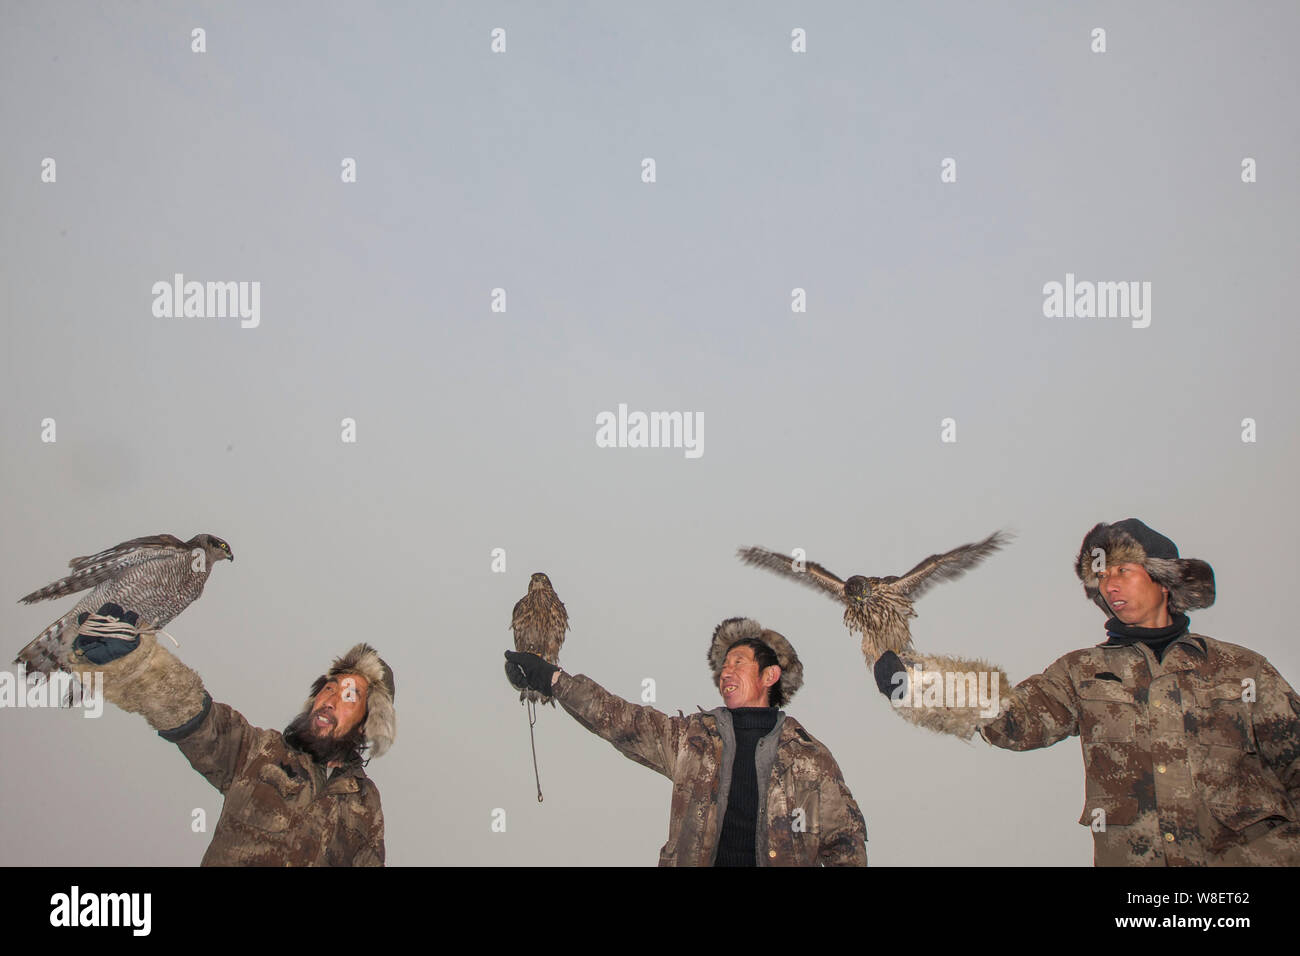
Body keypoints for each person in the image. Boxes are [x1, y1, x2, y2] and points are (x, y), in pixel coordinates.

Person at [873, 518, 1300, 865]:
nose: (1110, 585)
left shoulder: (1239, 668)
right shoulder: (1081, 673)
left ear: (1162, 580)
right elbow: (1014, 718)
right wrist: (922, 685)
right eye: (1102, 576)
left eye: (1122, 571)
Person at [506, 616, 867, 866]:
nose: (726, 671)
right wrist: (551, 679)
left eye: (738, 662)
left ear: (770, 674)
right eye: (723, 665)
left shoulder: (811, 759)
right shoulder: (692, 741)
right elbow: (618, 719)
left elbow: (846, 844)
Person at [70, 602, 395, 866]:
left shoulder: (365, 804)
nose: (330, 700)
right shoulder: (261, 752)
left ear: (368, 722)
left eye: (349, 696)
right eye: (328, 688)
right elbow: (197, 716)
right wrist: (137, 664)